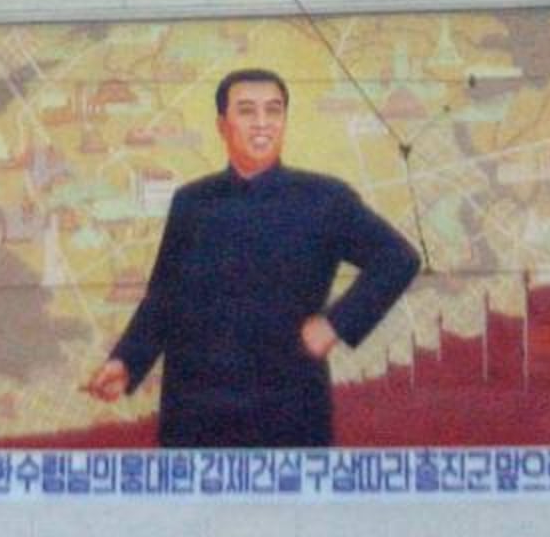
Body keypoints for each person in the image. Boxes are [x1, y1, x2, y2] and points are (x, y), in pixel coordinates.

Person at [82, 66, 420, 448]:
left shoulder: (324, 199)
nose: (262, 123)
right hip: (195, 412)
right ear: (222, 125)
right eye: (246, 111)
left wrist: (334, 324)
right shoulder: (192, 203)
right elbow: (164, 299)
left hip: (287, 411)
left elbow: (397, 259)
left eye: (273, 110)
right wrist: (126, 362)